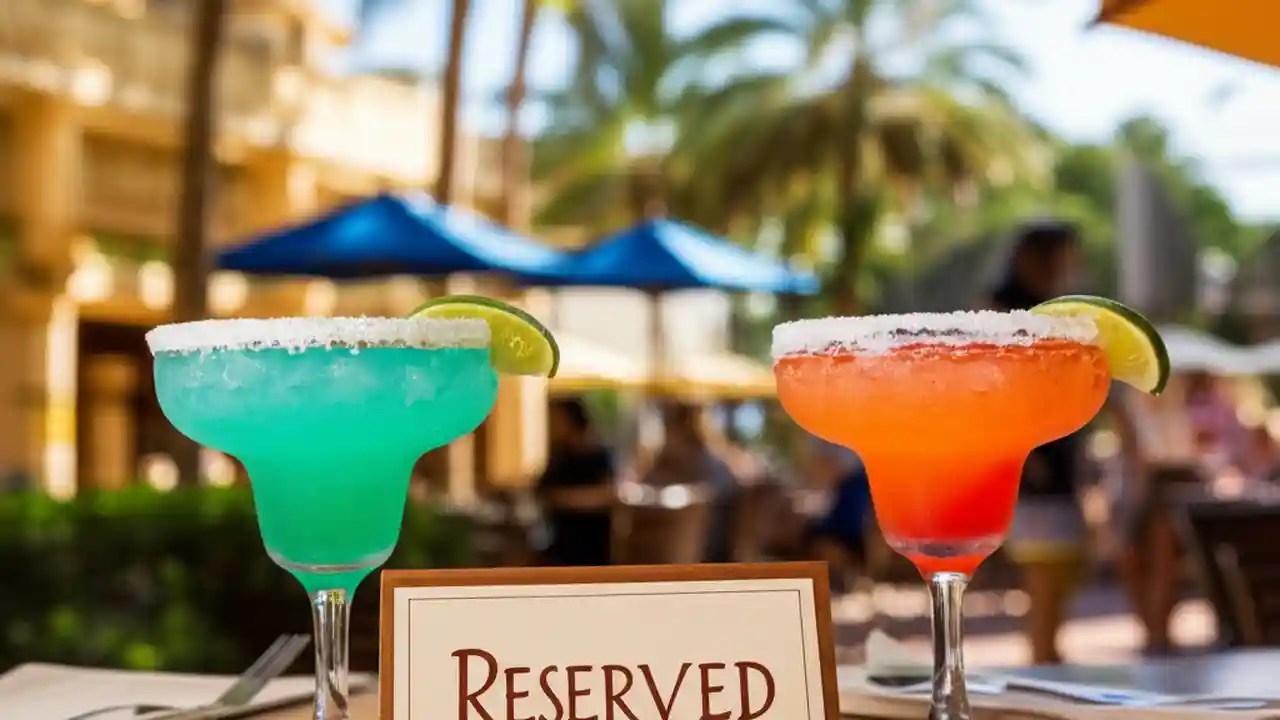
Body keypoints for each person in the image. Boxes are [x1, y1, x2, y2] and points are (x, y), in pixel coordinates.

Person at [988, 219, 1090, 664]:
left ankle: (1047, 657)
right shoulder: (1002, 309)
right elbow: (995, 390)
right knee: (1044, 580)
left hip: (1061, 462)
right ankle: (1043, 662)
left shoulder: (1058, 309)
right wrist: (1022, 453)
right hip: (1031, 465)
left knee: (1064, 573)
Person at [1116, 375, 1200, 656]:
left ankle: (1158, 634)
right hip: (1153, 481)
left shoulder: (1174, 392)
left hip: (1167, 479)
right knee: (1140, 562)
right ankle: (1156, 632)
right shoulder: (1130, 399)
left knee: (1161, 564)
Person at [642, 402, 741, 562]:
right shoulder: (661, 462)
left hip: (709, 549)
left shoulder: (712, 463)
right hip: (660, 543)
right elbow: (647, 487)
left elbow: (724, 492)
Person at [537, 399, 616, 566]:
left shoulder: (597, 455)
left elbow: (608, 494)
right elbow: (543, 490)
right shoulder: (560, 456)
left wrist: (568, 499)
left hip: (591, 547)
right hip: (561, 545)